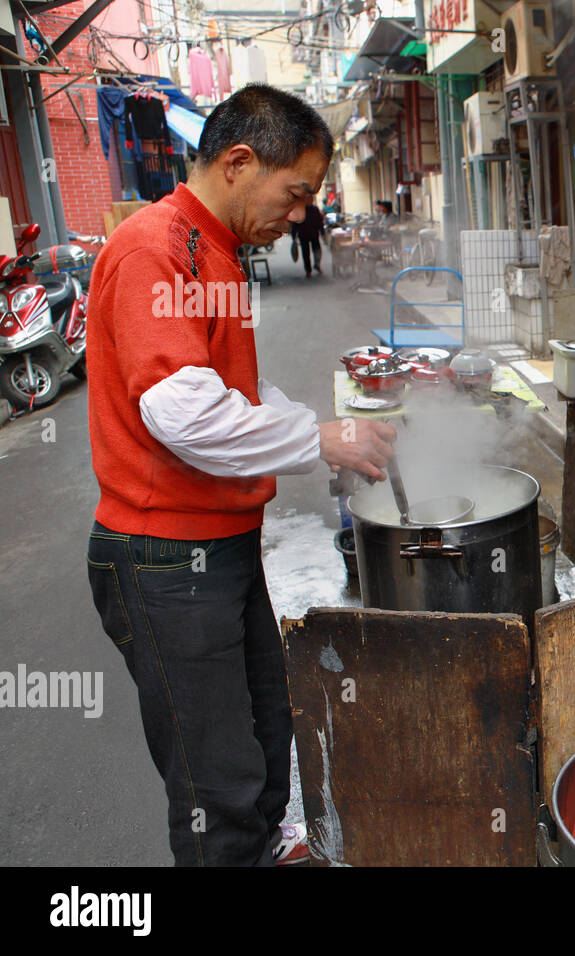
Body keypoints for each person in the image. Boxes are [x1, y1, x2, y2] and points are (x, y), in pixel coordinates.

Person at [84, 84, 396, 867]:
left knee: (263, 732)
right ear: (238, 161)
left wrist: (336, 432)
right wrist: (319, 438)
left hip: (221, 547)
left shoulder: (215, 249)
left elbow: (235, 395)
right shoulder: (158, 245)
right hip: (164, 560)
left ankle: (265, 852)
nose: (300, 216)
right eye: (296, 194)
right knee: (212, 784)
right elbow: (185, 415)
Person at [290, 199, 325, 277]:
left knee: (317, 251)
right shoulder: (300, 210)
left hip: (314, 234)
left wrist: (322, 232)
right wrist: (293, 236)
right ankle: (308, 270)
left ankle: (317, 265)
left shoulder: (315, 209)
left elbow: (320, 222)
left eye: (311, 199)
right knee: (306, 254)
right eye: (308, 199)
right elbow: (295, 223)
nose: (310, 201)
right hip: (303, 235)